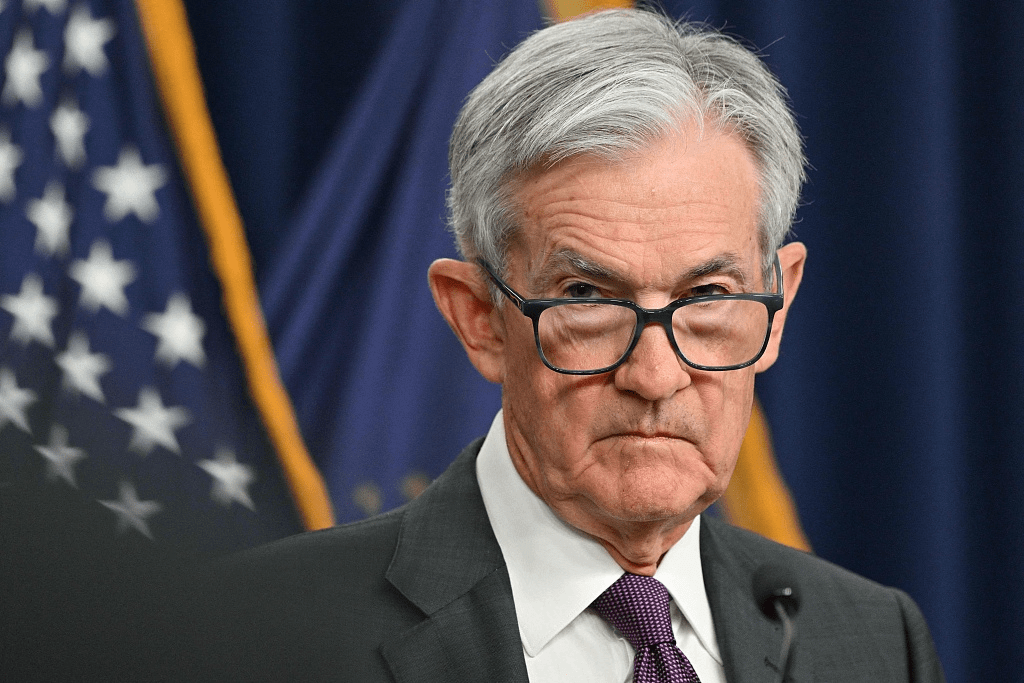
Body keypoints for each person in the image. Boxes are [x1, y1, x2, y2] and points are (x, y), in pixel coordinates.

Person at [171, 8, 945, 682]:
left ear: (776, 310)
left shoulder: (873, 641)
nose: (655, 375)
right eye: (587, 298)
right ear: (478, 317)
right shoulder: (260, 634)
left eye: (707, 297)